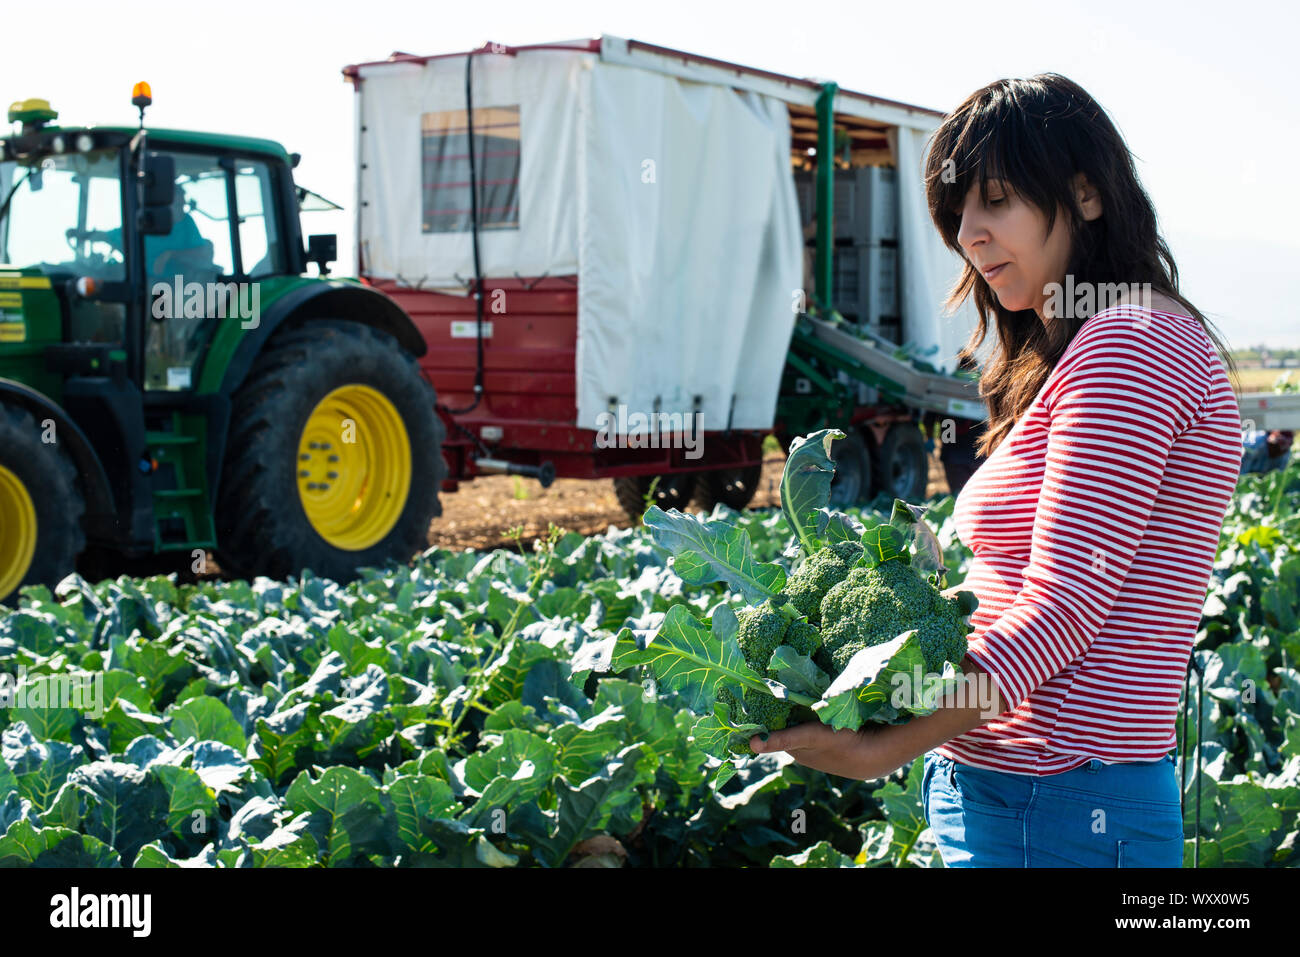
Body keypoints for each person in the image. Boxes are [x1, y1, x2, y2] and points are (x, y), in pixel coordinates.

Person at [751, 74, 1243, 868]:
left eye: (999, 200)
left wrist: (886, 742)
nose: (969, 235)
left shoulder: (1134, 343)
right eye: (957, 214)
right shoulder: (1079, 352)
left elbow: (1064, 610)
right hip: (1017, 796)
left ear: (1085, 194)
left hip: (1062, 807)